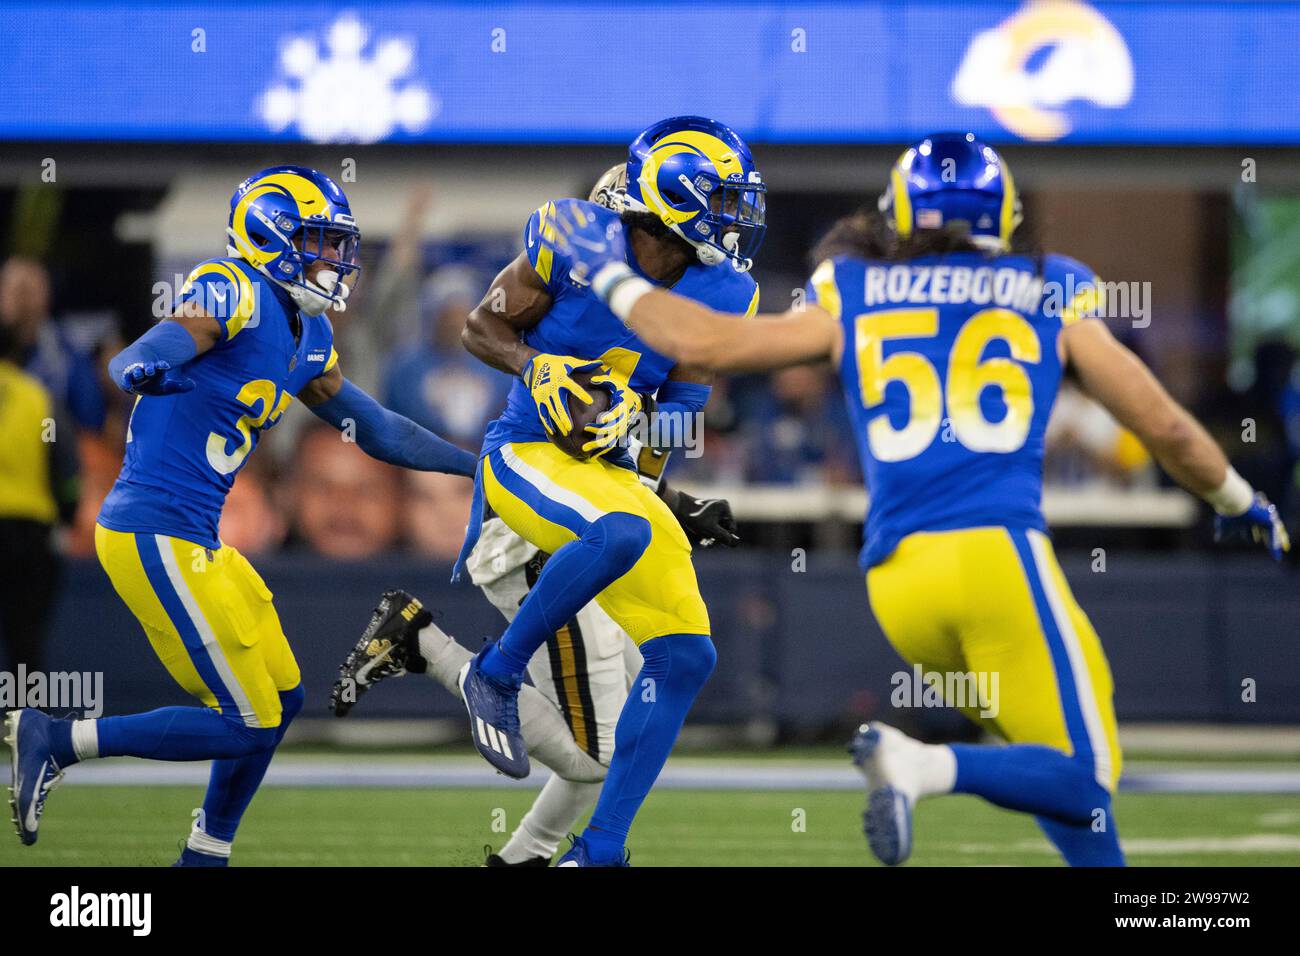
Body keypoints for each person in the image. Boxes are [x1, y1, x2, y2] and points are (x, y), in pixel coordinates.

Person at [541, 131, 1289, 867]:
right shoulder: (1046, 285)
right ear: (1003, 214)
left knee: (1068, 793)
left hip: (898, 579)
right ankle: (924, 765)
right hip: (994, 557)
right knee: (1088, 775)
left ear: (900, 213)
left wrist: (609, 271)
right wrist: (1239, 500)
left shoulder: (854, 286)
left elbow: (708, 347)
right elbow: (1162, 424)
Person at [4, 165, 476, 864]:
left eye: (336, 244)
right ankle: (60, 738)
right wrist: (144, 364)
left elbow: (375, 428)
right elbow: (161, 343)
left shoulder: (307, 334)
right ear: (271, 236)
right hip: (151, 530)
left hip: (199, 539)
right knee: (248, 721)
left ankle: (205, 853)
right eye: (319, 241)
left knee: (279, 703)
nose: (334, 259)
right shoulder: (236, 289)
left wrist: (479, 467)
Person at [339, 119, 763, 866]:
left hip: (605, 486)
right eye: (723, 198)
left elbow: (681, 412)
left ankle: (595, 850)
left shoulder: (724, 291)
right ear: (668, 196)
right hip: (529, 460)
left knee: (685, 657)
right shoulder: (573, 240)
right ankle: (483, 671)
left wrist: (659, 472)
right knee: (595, 731)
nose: (738, 217)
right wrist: (539, 367)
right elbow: (482, 327)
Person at [0, 319, 79, 673]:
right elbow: (65, 466)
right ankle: (26, 724)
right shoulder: (38, 398)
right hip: (30, 537)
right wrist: (67, 515)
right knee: (26, 643)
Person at [0, 256, 107, 433]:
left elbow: (91, 421)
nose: (23, 303)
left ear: (46, 296)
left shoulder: (69, 353)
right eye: (15, 292)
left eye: (28, 292)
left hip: (49, 446)